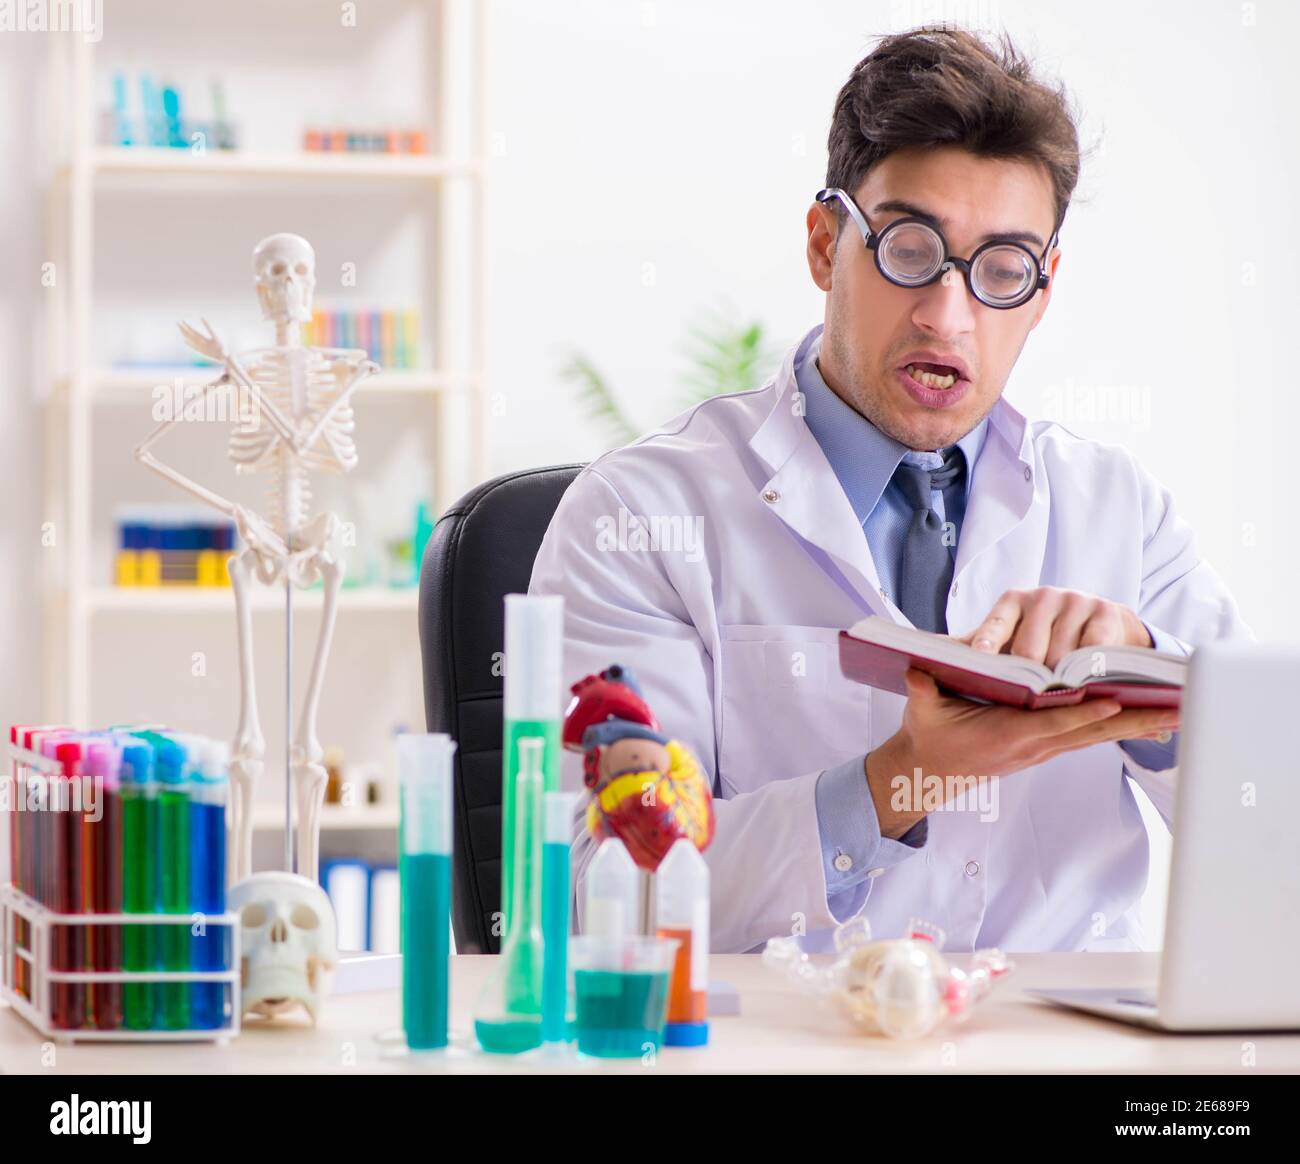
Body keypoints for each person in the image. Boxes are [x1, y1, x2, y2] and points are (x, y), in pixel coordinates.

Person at [530, 26, 1250, 953]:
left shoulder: (1120, 515)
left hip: (1066, 1052)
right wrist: (899, 781)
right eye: (911, 249)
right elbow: (605, 895)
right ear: (826, 245)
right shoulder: (640, 515)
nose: (948, 316)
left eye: (1001, 271)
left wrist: (1156, 693)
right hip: (782, 1051)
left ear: (1043, 290)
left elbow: (1270, 822)